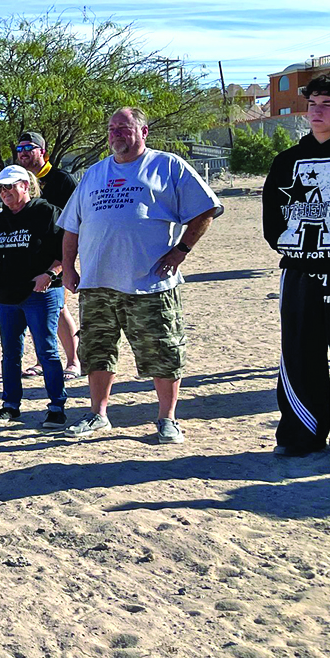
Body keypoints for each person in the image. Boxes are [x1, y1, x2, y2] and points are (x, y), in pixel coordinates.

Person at [60, 108, 222, 443]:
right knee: (97, 350)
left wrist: (181, 251)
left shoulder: (168, 166)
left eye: (124, 127)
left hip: (149, 283)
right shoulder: (93, 174)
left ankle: (167, 419)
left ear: (143, 131)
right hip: (97, 283)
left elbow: (205, 208)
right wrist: (69, 267)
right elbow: (71, 227)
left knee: (163, 350)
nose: (116, 133)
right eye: (111, 128)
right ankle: (98, 414)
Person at [262, 70, 330, 456]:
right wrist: (298, 252)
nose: (317, 112)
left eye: (327, 105)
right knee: (299, 353)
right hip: (300, 272)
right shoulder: (288, 159)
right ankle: (300, 434)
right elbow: (273, 220)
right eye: (313, 105)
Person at [0, 165, 68, 428]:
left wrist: (50, 274)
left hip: (41, 293)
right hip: (6, 295)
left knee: (47, 351)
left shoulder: (48, 213)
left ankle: (56, 407)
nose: (5, 193)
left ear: (25, 185)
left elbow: (67, 250)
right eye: (1, 188)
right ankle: (10, 406)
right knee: (10, 354)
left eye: (10, 186)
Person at [13, 131, 81, 376]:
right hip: (29, 255)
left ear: (43, 151)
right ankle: (43, 360)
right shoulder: (19, 180)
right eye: (20, 148)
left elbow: (77, 218)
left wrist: (65, 260)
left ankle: (74, 361)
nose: (23, 153)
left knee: (58, 306)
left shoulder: (61, 179)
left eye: (29, 147)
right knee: (35, 307)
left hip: (58, 254)